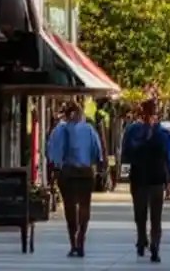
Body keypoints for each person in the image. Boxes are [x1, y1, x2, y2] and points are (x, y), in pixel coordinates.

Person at [121, 99, 170, 263]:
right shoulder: (144, 132)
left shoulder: (142, 132)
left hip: (148, 178)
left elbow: (126, 154)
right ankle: (147, 241)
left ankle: (149, 242)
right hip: (147, 177)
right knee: (147, 215)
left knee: (148, 214)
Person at [46, 100, 104, 258]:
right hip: (85, 172)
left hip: (68, 173)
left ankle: (73, 244)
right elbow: (97, 152)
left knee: (69, 208)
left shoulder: (59, 129)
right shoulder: (89, 130)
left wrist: (53, 171)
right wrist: (97, 166)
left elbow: (52, 153)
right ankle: (81, 240)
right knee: (85, 206)